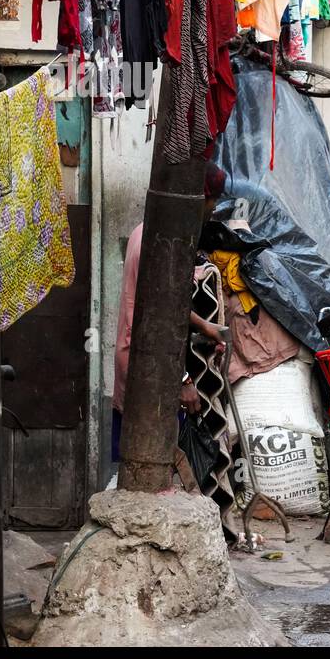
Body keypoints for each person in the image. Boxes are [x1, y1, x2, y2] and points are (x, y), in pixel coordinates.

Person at [113, 162, 228, 465]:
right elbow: (156, 318)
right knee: (151, 465)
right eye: (211, 201)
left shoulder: (146, 230)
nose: (212, 209)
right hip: (148, 371)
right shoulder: (161, 244)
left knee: (138, 463)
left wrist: (204, 326)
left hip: (136, 361)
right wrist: (185, 381)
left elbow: (165, 302)